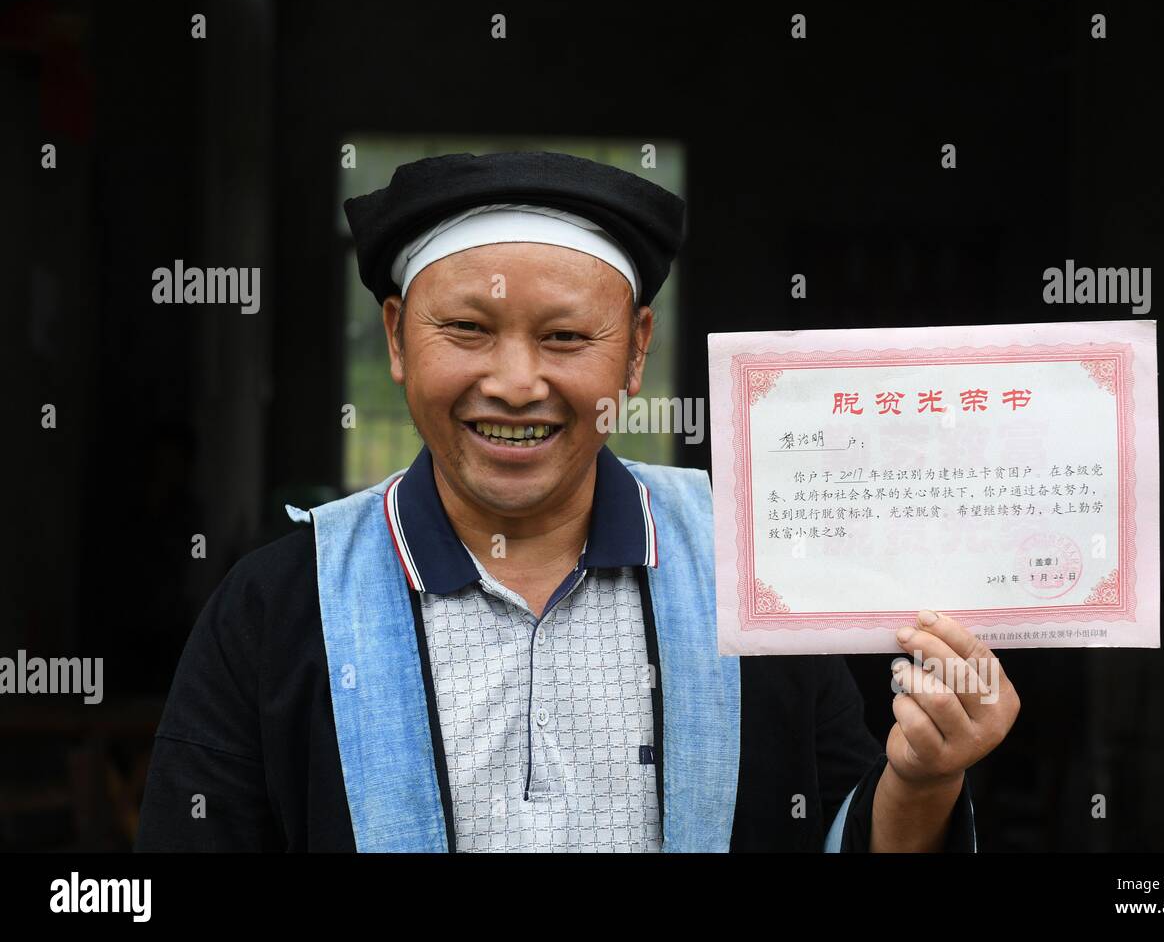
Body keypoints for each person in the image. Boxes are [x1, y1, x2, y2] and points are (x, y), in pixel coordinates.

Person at [135, 151, 1020, 852]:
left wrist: (924, 782)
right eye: (467, 330)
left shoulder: (745, 577)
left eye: (564, 338)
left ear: (635, 353)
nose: (517, 384)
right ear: (397, 336)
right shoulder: (279, 606)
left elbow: (849, 835)